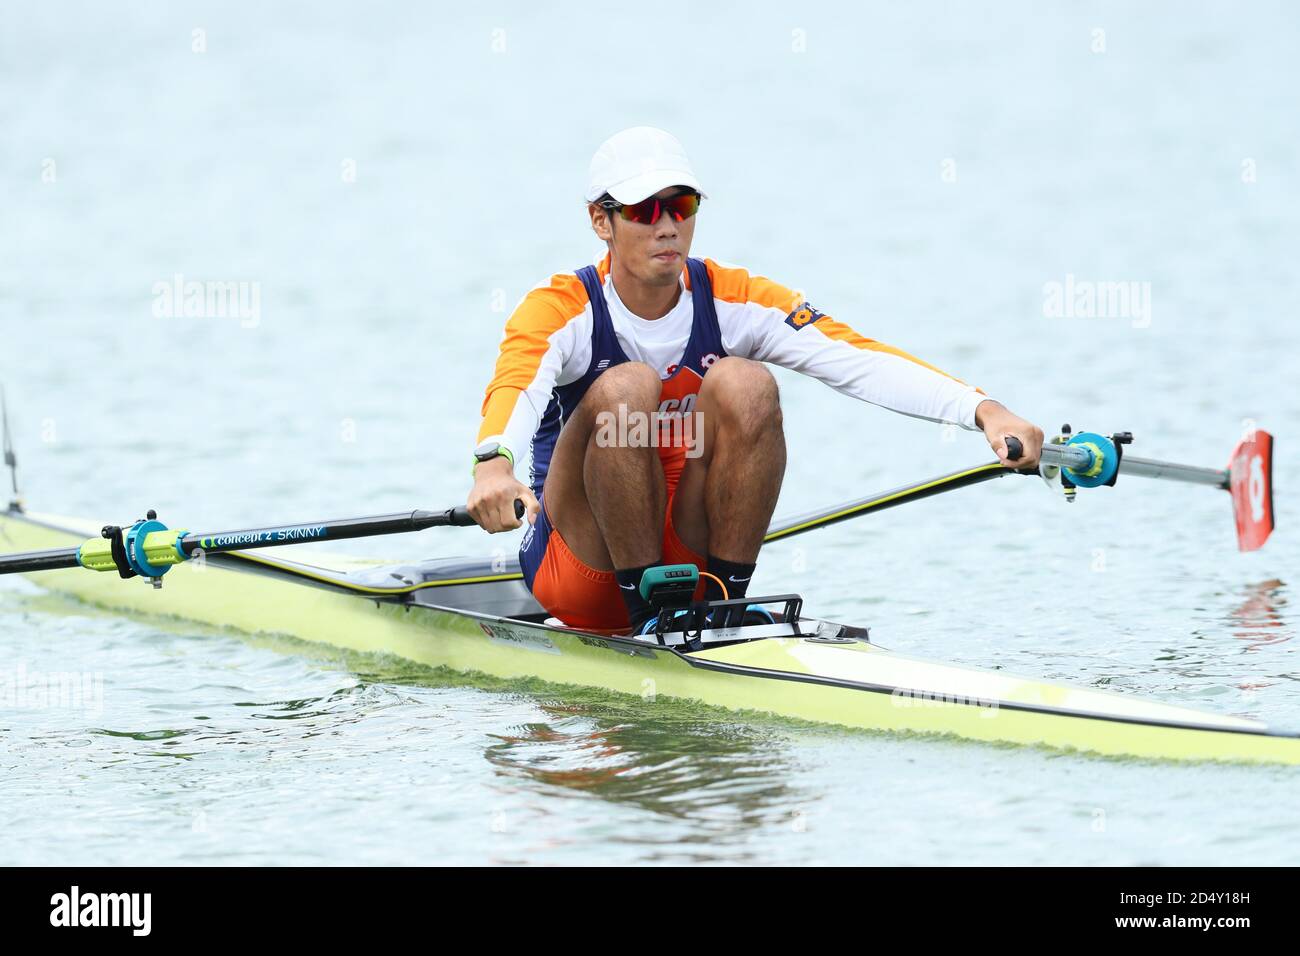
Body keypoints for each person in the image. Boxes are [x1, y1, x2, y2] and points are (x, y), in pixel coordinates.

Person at [467, 126, 1043, 633]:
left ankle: (721, 607)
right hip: (580, 567)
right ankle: (645, 620)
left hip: (691, 561)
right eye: (645, 210)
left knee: (748, 382)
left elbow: (859, 359)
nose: (667, 225)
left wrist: (985, 411)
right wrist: (494, 464)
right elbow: (516, 383)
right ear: (602, 221)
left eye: (682, 204)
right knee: (628, 387)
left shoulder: (732, 297)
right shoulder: (562, 307)